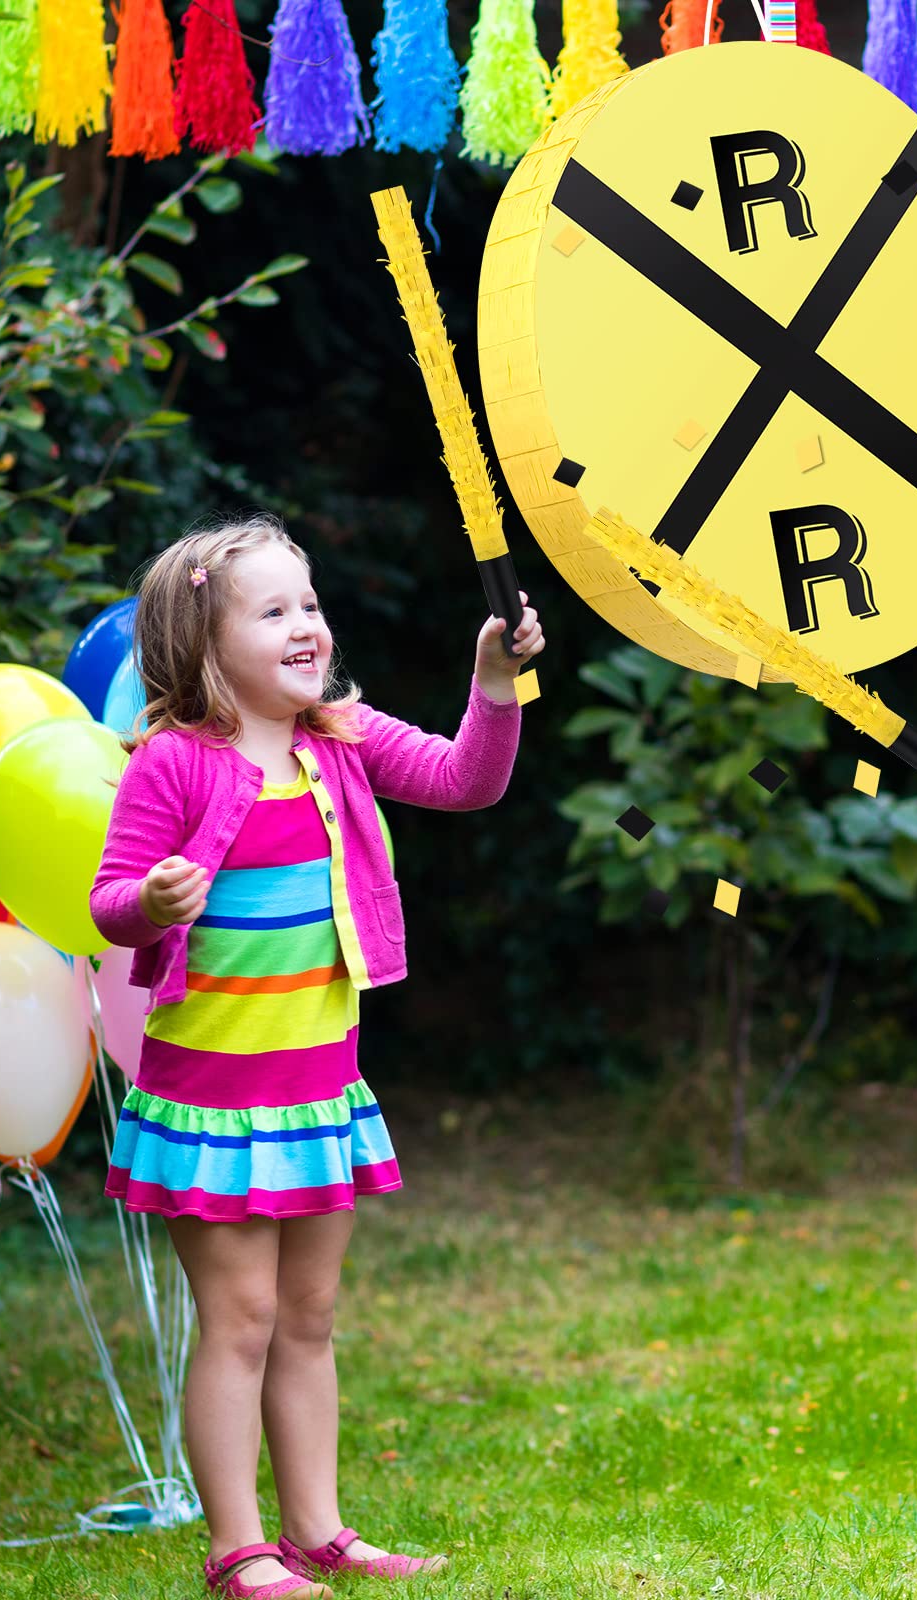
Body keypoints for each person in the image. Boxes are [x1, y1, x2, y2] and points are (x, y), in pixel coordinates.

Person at [91, 513, 543, 1598]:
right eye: (274, 609)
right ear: (202, 641)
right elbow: (111, 901)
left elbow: (463, 780)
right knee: (238, 1321)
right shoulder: (170, 764)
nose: (306, 625)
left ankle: (321, 1530)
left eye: (310, 603)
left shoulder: (338, 736)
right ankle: (237, 1546)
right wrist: (149, 901)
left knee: (308, 1319)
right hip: (211, 1104)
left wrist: (493, 684)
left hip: (317, 1093)